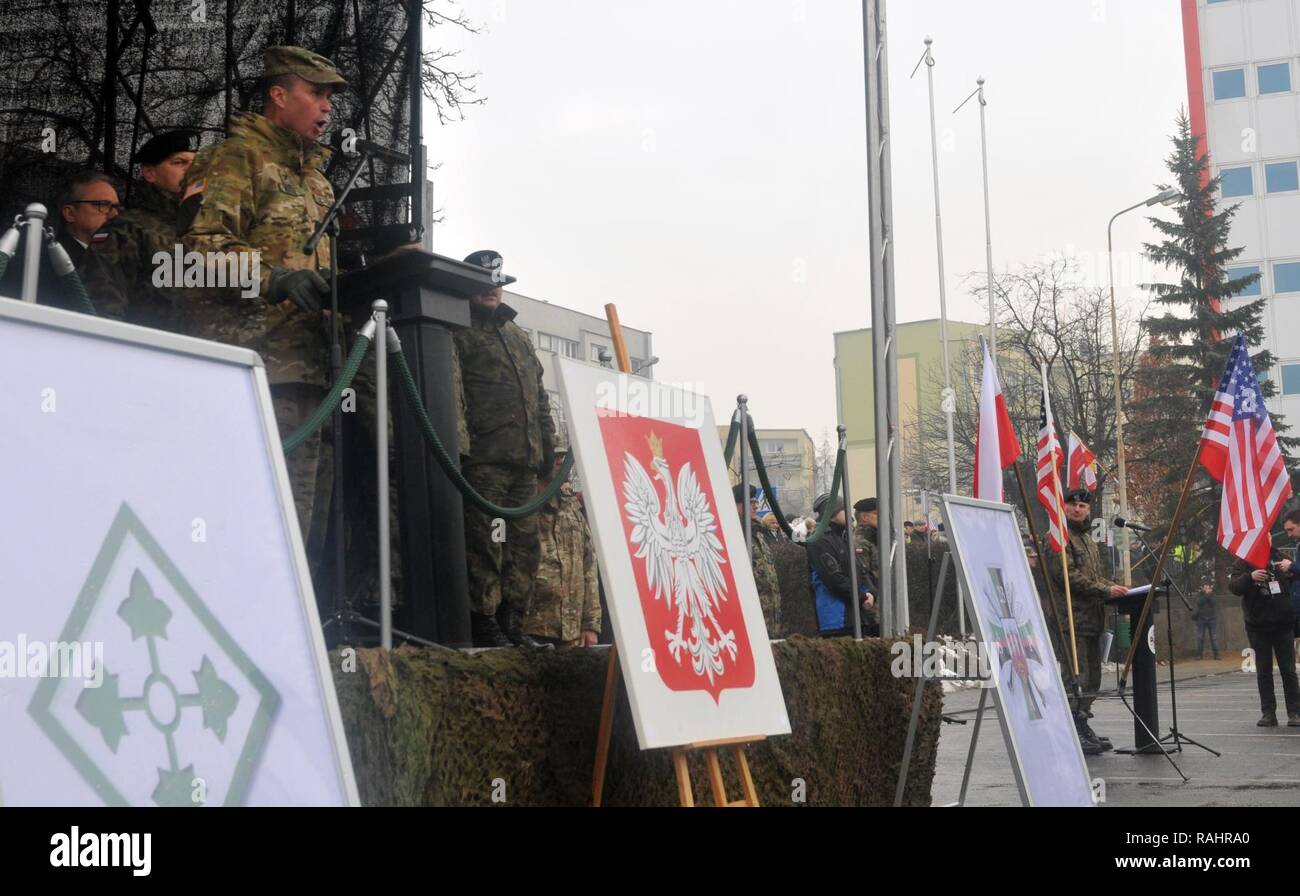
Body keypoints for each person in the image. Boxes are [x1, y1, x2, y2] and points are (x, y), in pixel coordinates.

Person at [177, 46, 347, 581]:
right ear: (279, 95)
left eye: (329, 98)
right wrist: (274, 278)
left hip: (311, 372)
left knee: (301, 529)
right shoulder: (234, 159)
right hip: (252, 369)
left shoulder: (317, 182)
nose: (326, 108)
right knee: (250, 517)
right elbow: (193, 257)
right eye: (315, 93)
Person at [455, 249, 556, 648]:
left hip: (525, 462)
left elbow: (539, 397)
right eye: (483, 283)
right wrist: (460, 452)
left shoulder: (518, 337)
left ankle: (514, 622)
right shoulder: (457, 329)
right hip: (484, 459)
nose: (491, 290)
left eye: (496, 282)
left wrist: (549, 448)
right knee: (485, 544)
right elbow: (455, 394)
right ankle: (484, 622)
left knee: (524, 546)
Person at [81, 130, 197, 327]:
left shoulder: (216, 230)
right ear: (150, 173)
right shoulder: (126, 230)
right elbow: (102, 310)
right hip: (148, 352)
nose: (191, 169)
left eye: (195, 163)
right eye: (179, 162)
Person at [1043, 487, 1124, 755]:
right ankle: (1071, 731)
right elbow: (1068, 576)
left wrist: (1114, 588)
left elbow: (1095, 575)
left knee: (1092, 678)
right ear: (1063, 507)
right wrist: (1104, 590)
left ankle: (1083, 723)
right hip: (1070, 619)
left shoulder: (1087, 539)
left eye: (1083, 506)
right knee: (1074, 677)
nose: (1078, 509)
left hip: (1092, 619)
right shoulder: (1058, 538)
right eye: (1073, 505)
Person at [0, 172, 119, 308]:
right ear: (70, 213)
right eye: (103, 205)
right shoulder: (40, 263)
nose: (115, 214)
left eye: (117, 208)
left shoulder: (117, 265)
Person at [524, 440, 600, 648]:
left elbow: (589, 565)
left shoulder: (572, 506)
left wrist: (590, 624)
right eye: (554, 456)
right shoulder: (521, 503)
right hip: (532, 629)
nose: (559, 461)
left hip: (572, 632)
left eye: (562, 457)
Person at [1229, 531, 1300, 727]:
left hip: (1283, 623)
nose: (1264, 540)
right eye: (1260, 536)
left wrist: (1291, 574)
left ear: (1270, 539)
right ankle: (1268, 713)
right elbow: (1233, 586)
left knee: (1288, 670)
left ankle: (1295, 713)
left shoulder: (1281, 558)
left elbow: (1295, 583)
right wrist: (1249, 577)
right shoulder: (1243, 561)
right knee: (1263, 670)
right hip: (1257, 625)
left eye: (1267, 536)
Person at [808, 492, 877, 637]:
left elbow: (860, 570)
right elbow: (834, 579)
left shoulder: (843, 537)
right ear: (831, 513)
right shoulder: (820, 540)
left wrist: (869, 593)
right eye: (843, 509)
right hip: (835, 618)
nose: (849, 514)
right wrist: (863, 597)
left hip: (855, 616)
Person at [734, 483, 781, 637]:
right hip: (750, 615)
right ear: (738, 506)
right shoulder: (736, 533)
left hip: (769, 615)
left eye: (756, 502)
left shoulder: (758, 533)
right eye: (751, 502)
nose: (756, 506)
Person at [852, 497, 882, 634]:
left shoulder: (875, 538)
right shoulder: (860, 541)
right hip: (872, 611)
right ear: (864, 516)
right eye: (877, 514)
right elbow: (863, 576)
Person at [1193, 582, 1220, 661]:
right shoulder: (1200, 595)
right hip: (1201, 618)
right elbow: (1199, 602)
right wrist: (1206, 595)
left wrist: (1208, 595)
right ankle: (1199, 655)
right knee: (1200, 637)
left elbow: (1213, 603)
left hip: (1212, 618)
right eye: (1205, 588)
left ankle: (1216, 654)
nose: (1206, 589)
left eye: (1208, 588)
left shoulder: (1213, 595)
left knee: (1214, 637)